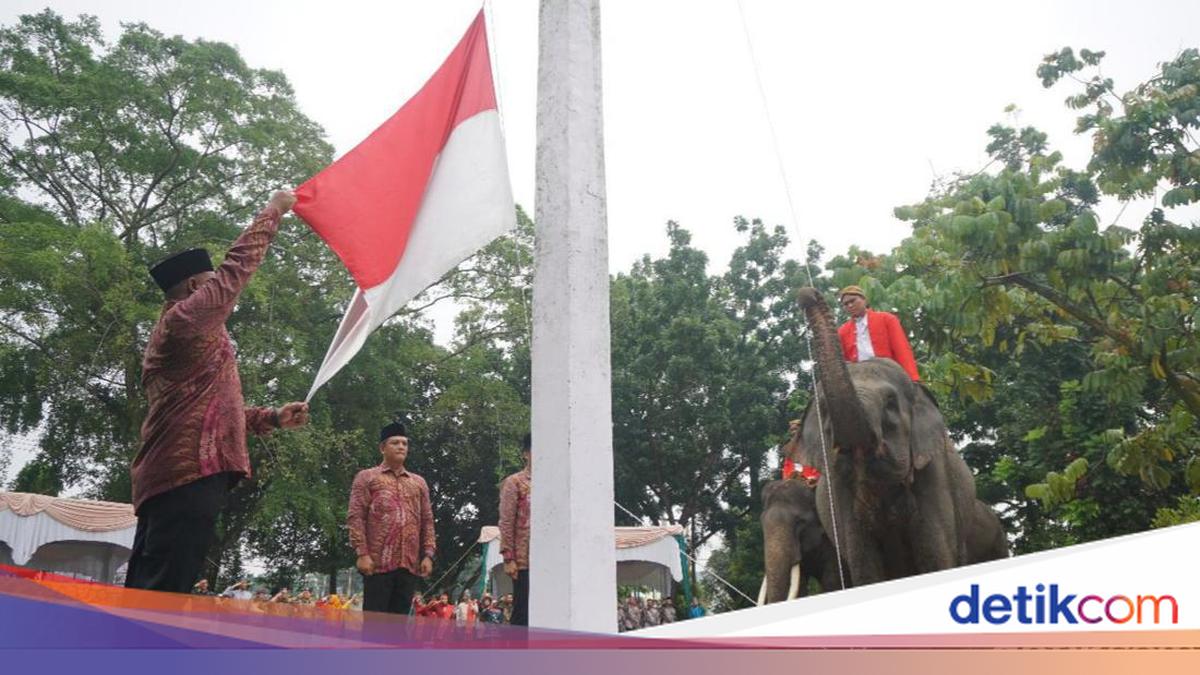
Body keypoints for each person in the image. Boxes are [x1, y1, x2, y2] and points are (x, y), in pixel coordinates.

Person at [125, 190, 310, 594]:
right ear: (194, 285)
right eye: (210, 285)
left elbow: (213, 412)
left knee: (153, 583)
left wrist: (272, 418)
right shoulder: (184, 321)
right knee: (163, 590)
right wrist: (274, 211)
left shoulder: (194, 335)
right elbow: (235, 271)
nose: (220, 294)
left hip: (181, 476)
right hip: (184, 475)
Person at [347, 421, 437, 615]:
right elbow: (356, 516)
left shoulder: (418, 482)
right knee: (375, 627)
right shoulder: (367, 477)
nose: (401, 447)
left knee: (399, 628)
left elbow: (427, 520)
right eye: (395, 443)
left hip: (409, 564)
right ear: (382, 448)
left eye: (404, 443)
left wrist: (428, 554)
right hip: (377, 564)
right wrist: (362, 553)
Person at [834, 285, 919, 381]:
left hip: (887, 372)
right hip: (859, 375)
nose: (850, 305)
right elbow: (844, 360)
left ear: (864, 300)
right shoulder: (842, 331)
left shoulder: (886, 318)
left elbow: (901, 348)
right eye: (845, 304)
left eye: (853, 301)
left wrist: (912, 377)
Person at [498, 432, 532, 626]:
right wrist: (508, 557)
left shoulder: (555, 483)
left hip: (551, 560)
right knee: (523, 611)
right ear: (525, 454)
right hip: (523, 560)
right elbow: (506, 521)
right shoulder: (515, 482)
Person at [780, 419, 821, 486]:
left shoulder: (812, 446)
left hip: (811, 480)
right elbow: (786, 469)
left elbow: (818, 466)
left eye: (795, 429)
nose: (793, 432)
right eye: (792, 430)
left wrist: (813, 478)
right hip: (793, 482)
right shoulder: (790, 449)